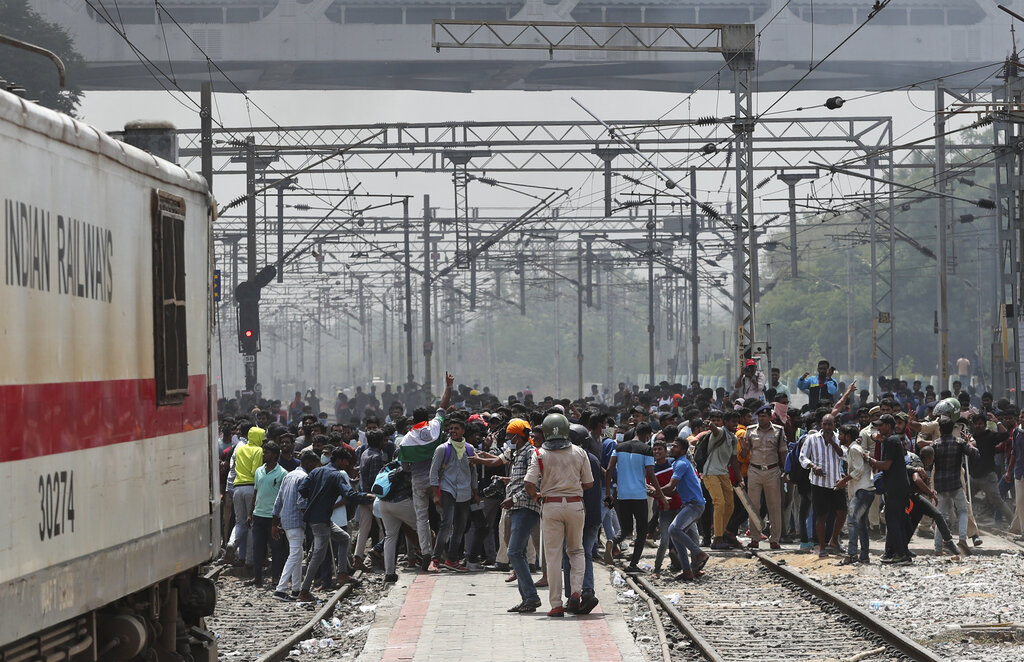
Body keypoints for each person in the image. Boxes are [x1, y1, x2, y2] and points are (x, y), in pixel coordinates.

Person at [524, 413, 595, 618]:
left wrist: (536, 496)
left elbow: (529, 483)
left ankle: (556, 605)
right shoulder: (580, 452)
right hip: (575, 505)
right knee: (576, 550)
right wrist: (572, 487)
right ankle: (576, 592)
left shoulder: (539, 454)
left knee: (553, 556)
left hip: (550, 505)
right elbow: (589, 483)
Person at [473, 418, 543, 613]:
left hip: (525, 506)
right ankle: (527, 599)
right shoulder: (517, 452)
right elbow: (506, 467)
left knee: (514, 553)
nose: (508, 439)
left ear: (518, 436)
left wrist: (514, 498)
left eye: (511, 436)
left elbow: (535, 482)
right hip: (517, 507)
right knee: (518, 553)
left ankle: (531, 597)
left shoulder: (530, 453)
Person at [297, 447, 374, 602]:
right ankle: (304, 591)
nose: (347, 465)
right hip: (321, 520)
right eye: (346, 461)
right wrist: (366, 496)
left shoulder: (316, 471)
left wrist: (315, 498)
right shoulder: (336, 475)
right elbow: (349, 495)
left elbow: (302, 489)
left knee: (344, 538)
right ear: (339, 460)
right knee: (318, 556)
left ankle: (342, 574)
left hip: (318, 518)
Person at [397, 372, 454, 568]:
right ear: (427, 418)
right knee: (444, 516)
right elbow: (443, 406)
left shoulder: (406, 440)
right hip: (438, 480)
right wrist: (448, 386)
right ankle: (445, 552)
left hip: (418, 481)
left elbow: (405, 467)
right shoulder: (435, 427)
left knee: (422, 518)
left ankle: (426, 551)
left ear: (413, 420)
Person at [605, 422, 669, 573]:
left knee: (625, 529)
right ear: (647, 436)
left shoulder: (619, 447)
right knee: (641, 531)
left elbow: (609, 469)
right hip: (639, 495)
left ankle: (613, 541)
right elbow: (651, 474)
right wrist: (661, 495)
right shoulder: (646, 449)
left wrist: (608, 493)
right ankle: (633, 565)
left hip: (622, 495)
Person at [427, 416, 478, 573]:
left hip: (465, 492)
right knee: (446, 524)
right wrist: (435, 494)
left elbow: (473, 472)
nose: (453, 431)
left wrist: (475, 492)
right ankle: (435, 560)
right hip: (448, 490)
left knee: (460, 527)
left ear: (463, 431)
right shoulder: (442, 449)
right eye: (451, 428)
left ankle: (452, 559)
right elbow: (433, 472)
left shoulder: (470, 449)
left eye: (456, 428)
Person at [271, 450, 320, 601]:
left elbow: (278, 500)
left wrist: (274, 523)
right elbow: (301, 502)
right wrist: (313, 518)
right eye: (315, 466)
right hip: (296, 521)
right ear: (309, 464)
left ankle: (296, 588)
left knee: (298, 554)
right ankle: (280, 589)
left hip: (286, 521)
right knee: (294, 554)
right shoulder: (304, 477)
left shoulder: (289, 475)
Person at [930, 416, 980, 557]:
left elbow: (928, 461)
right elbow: (975, 454)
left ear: (940, 429)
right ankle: (962, 539)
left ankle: (938, 548)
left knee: (940, 516)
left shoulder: (935, 444)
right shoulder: (959, 442)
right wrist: (968, 442)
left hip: (940, 485)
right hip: (955, 484)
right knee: (962, 511)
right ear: (952, 429)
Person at [799, 413, 846, 557]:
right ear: (821, 425)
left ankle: (834, 539)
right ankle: (821, 546)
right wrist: (813, 466)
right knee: (821, 516)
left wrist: (832, 442)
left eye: (830, 424)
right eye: (825, 424)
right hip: (818, 483)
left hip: (836, 481)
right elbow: (802, 457)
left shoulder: (838, 438)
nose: (827, 427)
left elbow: (844, 455)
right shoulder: (812, 438)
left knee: (842, 513)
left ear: (834, 425)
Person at [868, 415, 912, 564]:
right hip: (900, 486)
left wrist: (869, 460)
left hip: (895, 487)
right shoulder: (893, 440)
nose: (879, 428)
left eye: (881, 425)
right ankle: (902, 552)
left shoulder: (891, 441)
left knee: (892, 521)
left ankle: (901, 554)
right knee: (898, 521)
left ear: (888, 426)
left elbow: (886, 465)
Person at [741, 404, 787, 549]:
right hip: (754, 470)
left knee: (774, 506)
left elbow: (783, 452)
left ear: (770, 417)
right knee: (753, 506)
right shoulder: (750, 430)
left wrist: (786, 471)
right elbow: (744, 454)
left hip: (772, 471)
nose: (761, 419)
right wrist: (743, 449)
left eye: (764, 416)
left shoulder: (779, 431)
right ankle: (755, 538)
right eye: (760, 416)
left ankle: (775, 539)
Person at [664, 437, 709, 581]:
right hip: (691, 505)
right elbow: (674, 490)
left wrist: (656, 490)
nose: (672, 448)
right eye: (672, 445)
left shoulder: (681, 464)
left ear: (683, 450)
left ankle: (699, 554)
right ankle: (687, 570)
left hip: (694, 505)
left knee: (673, 529)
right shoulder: (678, 463)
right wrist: (656, 492)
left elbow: (671, 486)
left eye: (675, 446)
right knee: (676, 535)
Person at [700, 410, 742, 550]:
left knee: (730, 505)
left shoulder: (733, 438)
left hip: (723, 473)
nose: (735, 425)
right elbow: (715, 429)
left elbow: (734, 460)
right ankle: (717, 538)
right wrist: (710, 424)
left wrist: (740, 479)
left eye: (737, 422)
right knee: (720, 503)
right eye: (733, 422)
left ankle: (720, 531)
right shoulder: (720, 432)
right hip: (710, 473)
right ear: (725, 422)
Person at [247, 441, 288, 588]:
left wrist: (281, 518)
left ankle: (275, 577)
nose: (264, 454)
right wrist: (250, 513)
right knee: (257, 548)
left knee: (276, 549)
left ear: (275, 455)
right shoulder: (259, 471)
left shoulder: (282, 473)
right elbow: (256, 492)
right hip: (258, 515)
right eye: (264, 452)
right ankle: (257, 577)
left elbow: (284, 497)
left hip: (273, 518)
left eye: (267, 452)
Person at [838, 424, 874, 565]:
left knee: (852, 520)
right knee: (861, 524)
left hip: (863, 490)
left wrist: (844, 480)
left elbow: (858, 470)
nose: (839, 437)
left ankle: (852, 554)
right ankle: (864, 556)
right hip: (865, 490)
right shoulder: (854, 448)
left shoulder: (854, 449)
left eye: (841, 434)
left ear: (847, 436)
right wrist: (846, 478)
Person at [354, 429, 388, 571]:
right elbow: (376, 480)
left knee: (364, 528)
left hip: (363, 495)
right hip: (373, 497)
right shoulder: (376, 456)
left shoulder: (365, 453)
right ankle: (382, 556)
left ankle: (357, 558)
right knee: (384, 528)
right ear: (380, 441)